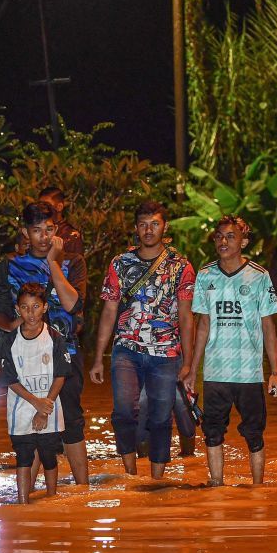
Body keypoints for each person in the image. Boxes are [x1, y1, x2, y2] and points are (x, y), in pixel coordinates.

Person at [89, 200, 195, 479]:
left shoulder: (181, 266)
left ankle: (157, 481)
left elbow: (186, 316)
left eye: (155, 224)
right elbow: (109, 309)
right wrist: (98, 357)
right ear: (136, 228)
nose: (149, 230)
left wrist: (190, 362)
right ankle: (131, 477)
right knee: (124, 413)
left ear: (165, 227)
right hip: (126, 348)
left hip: (166, 352)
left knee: (161, 417)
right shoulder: (120, 263)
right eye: (144, 224)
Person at [0, 201, 89, 485]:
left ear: (57, 230)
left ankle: (83, 492)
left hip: (65, 352)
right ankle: (29, 500)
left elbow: (73, 305)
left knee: (71, 421)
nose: (44, 237)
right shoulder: (10, 265)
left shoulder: (73, 262)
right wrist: (11, 328)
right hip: (23, 357)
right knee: (27, 426)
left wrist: (53, 263)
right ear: (25, 232)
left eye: (49, 229)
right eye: (37, 230)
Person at [183, 215, 277, 486]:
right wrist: (192, 370)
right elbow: (202, 325)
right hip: (216, 372)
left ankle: (258, 490)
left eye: (230, 236)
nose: (223, 241)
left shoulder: (259, 276)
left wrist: (275, 372)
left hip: (249, 373)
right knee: (212, 432)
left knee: (254, 433)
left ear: (244, 241)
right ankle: (216, 487)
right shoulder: (205, 276)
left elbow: (268, 326)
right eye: (219, 236)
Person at [1, 283, 71, 503]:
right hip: (20, 410)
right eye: (25, 307)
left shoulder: (55, 338)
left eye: (35, 307)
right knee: (22, 456)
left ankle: (51, 499)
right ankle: (22, 503)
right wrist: (35, 403)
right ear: (17, 309)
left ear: (45, 307)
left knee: (49, 455)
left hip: (49, 408)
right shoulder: (10, 341)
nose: (30, 313)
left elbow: (61, 375)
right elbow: (10, 379)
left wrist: (44, 407)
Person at [0, 231, 29, 389]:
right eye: (26, 245)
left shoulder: (50, 274)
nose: (29, 250)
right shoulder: (6, 281)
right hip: (15, 357)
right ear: (17, 248)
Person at [39, 186, 84, 255]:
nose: (42, 208)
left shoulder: (71, 235)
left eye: (46, 205)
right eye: (40, 205)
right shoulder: (36, 231)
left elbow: (76, 264)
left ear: (59, 207)